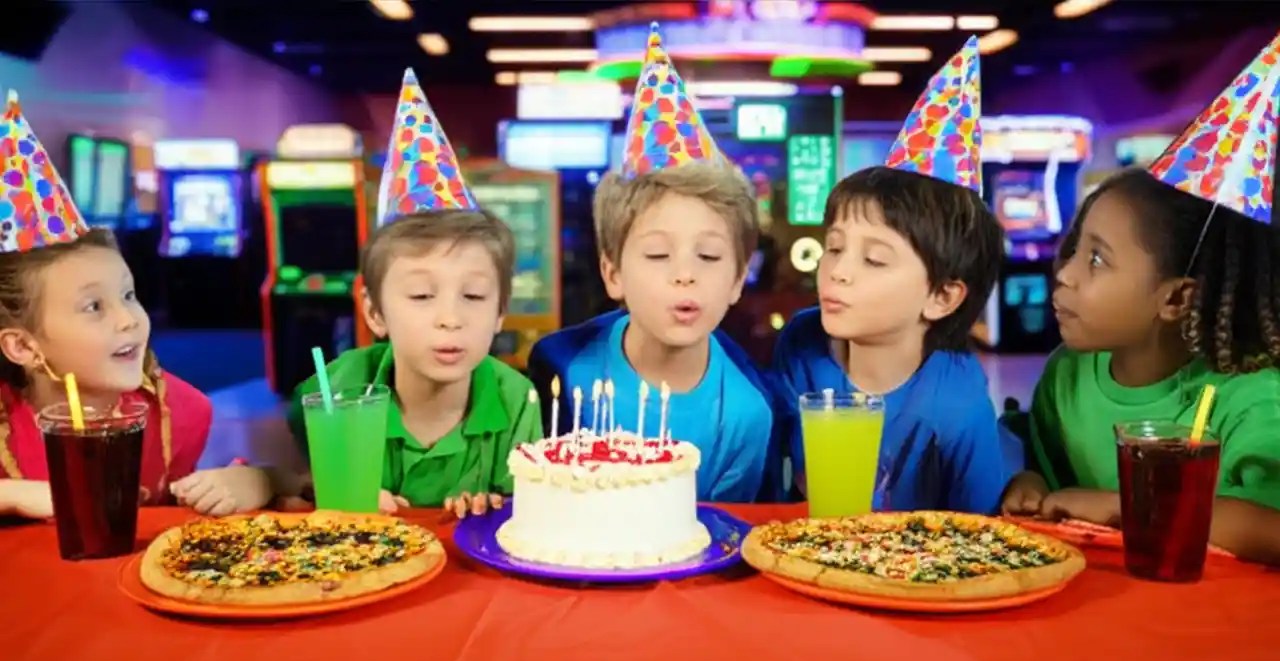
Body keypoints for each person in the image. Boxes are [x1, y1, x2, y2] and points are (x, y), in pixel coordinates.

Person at [1001, 38, 1280, 563]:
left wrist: (1123, 507)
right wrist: (1030, 479)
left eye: (1097, 260)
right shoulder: (1068, 375)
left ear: (1175, 298)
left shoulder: (1254, 398)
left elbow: (1271, 527)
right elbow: (1044, 470)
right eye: (1073, 249)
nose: (1063, 274)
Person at [526, 24, 782, 502]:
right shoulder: (560, 369)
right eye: (658, 254)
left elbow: (725, 535)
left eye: (708, 256)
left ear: (737, 277)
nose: (684, 273)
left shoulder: (748, 411)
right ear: (612, 272)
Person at [282, 69, 541, 518]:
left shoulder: (519, 400)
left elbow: (531, 510)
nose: (450, 318)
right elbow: (298, 490)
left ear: (501, 311)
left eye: (474, 297)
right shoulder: (333, 393)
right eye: (422, 296)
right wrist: (325, 493)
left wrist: (497, 506)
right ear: (374, 311)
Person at [773, 37, 1012, 513]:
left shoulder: (957, 405)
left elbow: (986, 534)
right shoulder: (802, 344)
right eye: (835, 248)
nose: (838, 271)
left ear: (943, 297)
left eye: (874, 260)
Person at [0, 90, 264, 519]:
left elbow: (178, 517)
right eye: (93, 307)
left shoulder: (180, 411)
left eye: (128, 296)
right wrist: (14, 495)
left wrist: (258, 480)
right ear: (24, 347)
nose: (129, 320)